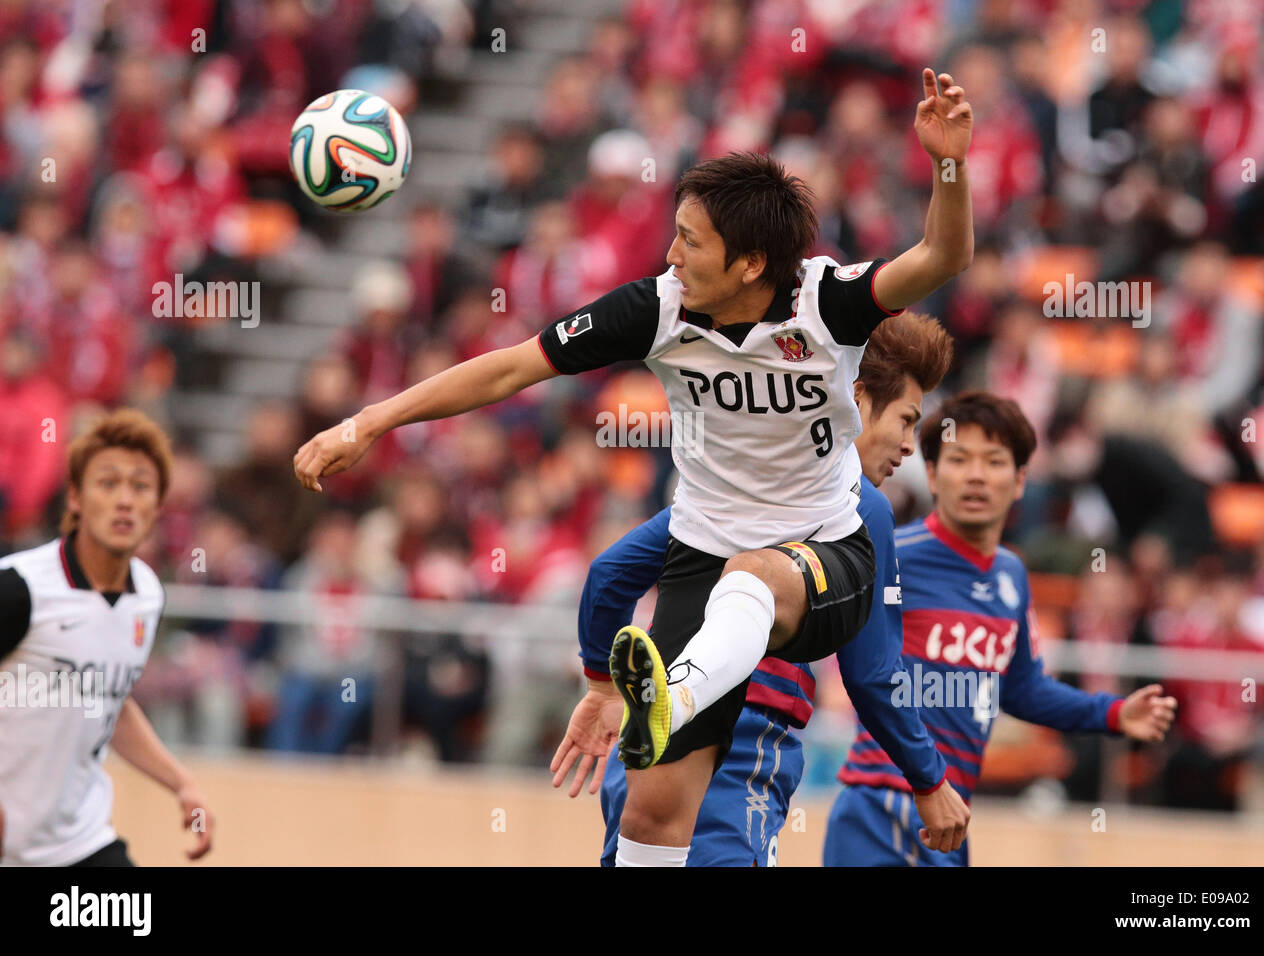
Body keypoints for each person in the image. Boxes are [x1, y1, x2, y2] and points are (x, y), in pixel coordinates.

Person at [294, 69, 974, 865]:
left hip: (825, 555)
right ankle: (668, 701)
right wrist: (372, 420)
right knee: (652, 821)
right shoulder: (657, 310)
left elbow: (944, 254)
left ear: (752, 264)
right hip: (701, 557)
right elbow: (512, 368)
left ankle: (673, 695)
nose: (671, 253)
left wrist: (949, 165)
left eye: (691, 241)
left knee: (756, 577)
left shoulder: (828, 307)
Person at [550, 312, 966, 865]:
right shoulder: (864, 506)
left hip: (642, 769)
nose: (909, 446)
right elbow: (872, 676)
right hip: (739, 755)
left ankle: (668, 704)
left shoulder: (739, 483)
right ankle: (678, 702)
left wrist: (602, 685)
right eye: (907, 420)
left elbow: (608, 574)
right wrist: (930, 778)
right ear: (857, 401)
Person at [825, 392, 1178, 866]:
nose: (976, 475)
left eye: (994, 461)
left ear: (1019, 482)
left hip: (952, 814)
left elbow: (1022, 689)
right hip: (884, 798)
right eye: (959, 459)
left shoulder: (1011, 575)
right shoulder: (894, 554)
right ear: (931, 474)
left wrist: (1113, 714)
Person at [0, 409, 214, 866]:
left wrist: (182, 783)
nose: (125, 500)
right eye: (108, 483)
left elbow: (108, 700)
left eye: (140, 487)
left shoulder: (147, 596)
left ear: (157, 507)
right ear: (75, 497)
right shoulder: (21, 590)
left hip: (78, 844)